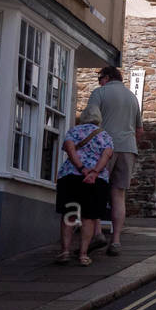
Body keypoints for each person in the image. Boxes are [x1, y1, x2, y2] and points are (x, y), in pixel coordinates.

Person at [87, 66, 143, 256]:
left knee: (96, 190)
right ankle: (116, 241)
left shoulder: (99, 93)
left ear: (107, 77)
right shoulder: (132, 97)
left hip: (104, 148)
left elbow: (90, 122)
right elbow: (139, 130)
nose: (99, 81)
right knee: (118, 195)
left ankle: (97, 234)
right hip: (128, 148)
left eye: (100, 78)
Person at [53, 104, 114, 265]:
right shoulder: (105, 136)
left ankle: (65, 252)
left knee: (70, 214)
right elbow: (106, 156)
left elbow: (70, 149)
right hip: (96, 180)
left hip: (71, 177)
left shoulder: (74, 131)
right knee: (89, 217)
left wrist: (81, 168)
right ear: (99, 119)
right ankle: (83, 255)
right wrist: (94, 172)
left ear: (83, 117)